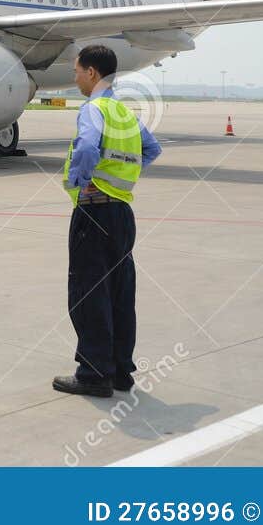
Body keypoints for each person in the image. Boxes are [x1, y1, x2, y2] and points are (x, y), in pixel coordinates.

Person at [54, 44, 161, 398]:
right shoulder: (124, 113)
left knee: (88, 293)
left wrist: (84, 182)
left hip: (94, 212)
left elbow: (87, 148)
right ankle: (119, 372)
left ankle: (93, 374)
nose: (75, 78)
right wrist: (122, 177)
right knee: (120, 293)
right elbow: (151, 149)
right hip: (121, 214)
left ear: (92, 72)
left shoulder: (93, 109)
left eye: (77, 71)